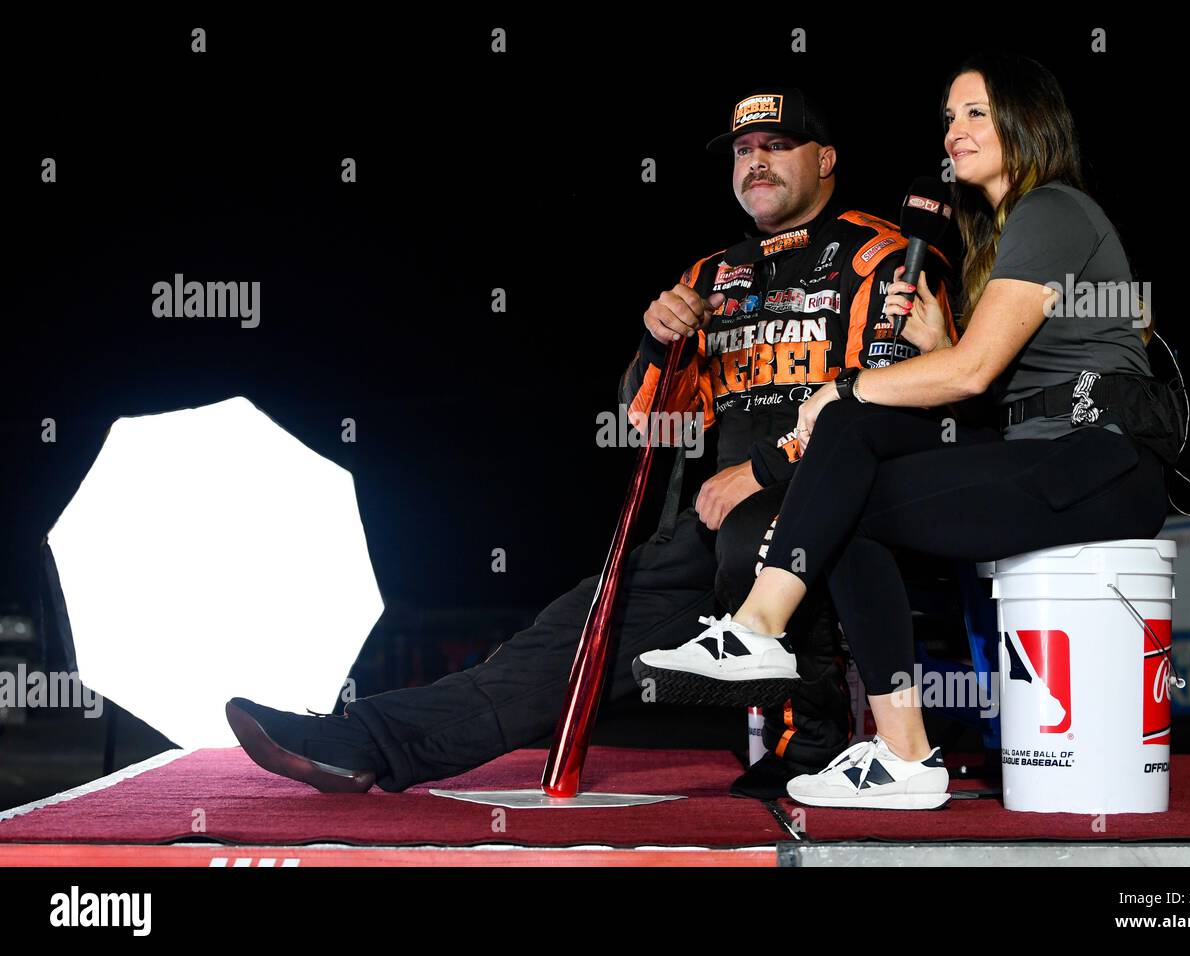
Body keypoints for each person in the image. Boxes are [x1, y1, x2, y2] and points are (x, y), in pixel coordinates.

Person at [224, 87, 957, 800]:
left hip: (829, 502)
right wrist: (656, 339)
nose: (755, 163)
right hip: (714, 512)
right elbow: (653, 422)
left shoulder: (884, 256)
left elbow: (895, 403)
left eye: (776, 146)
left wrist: (768, 469)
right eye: (743, 151)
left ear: (826, 159)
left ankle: (817, 742)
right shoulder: (712, 274)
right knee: (577, 634)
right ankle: (368, 742)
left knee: (749, 545)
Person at [634, 54, 1174, 810]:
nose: (954, 132)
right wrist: (929, 353)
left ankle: (764, 626)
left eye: (976, 113)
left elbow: (975, 373)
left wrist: (845, 386)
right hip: (1039, 455)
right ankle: (899, 750)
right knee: (851, 479)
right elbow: (977, 386)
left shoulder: (1052, 209)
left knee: (851, 418)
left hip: (1099, 463)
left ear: (1029, 121)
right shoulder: (1002, 233)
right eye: (949, 117)